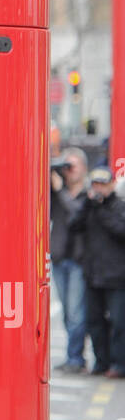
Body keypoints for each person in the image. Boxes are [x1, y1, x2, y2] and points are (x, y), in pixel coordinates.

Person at [68, 167, 125, 378]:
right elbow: (73, 225)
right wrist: (87, 206)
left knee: (119, 323)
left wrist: (101, 209)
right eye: (95, 184)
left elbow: (121, 231)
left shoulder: (119, 207)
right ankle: (101, 362)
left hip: (117, 277)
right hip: (93, 275)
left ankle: (119, 364)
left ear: (111, 185)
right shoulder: (89, 207)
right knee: (95, 322)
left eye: (102, 184)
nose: (98, 189)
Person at [50, 148, 89, 372]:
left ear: (83, 168)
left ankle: (76, 358)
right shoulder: (57, 191)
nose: (69, 171)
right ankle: (72, 355)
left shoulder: (87, 194)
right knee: (66, 311)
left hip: (78, 260)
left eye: (72, 166)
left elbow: (77, 215)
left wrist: (59, 191)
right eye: (66, 166)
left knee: (76, 312)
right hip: (59, 258)